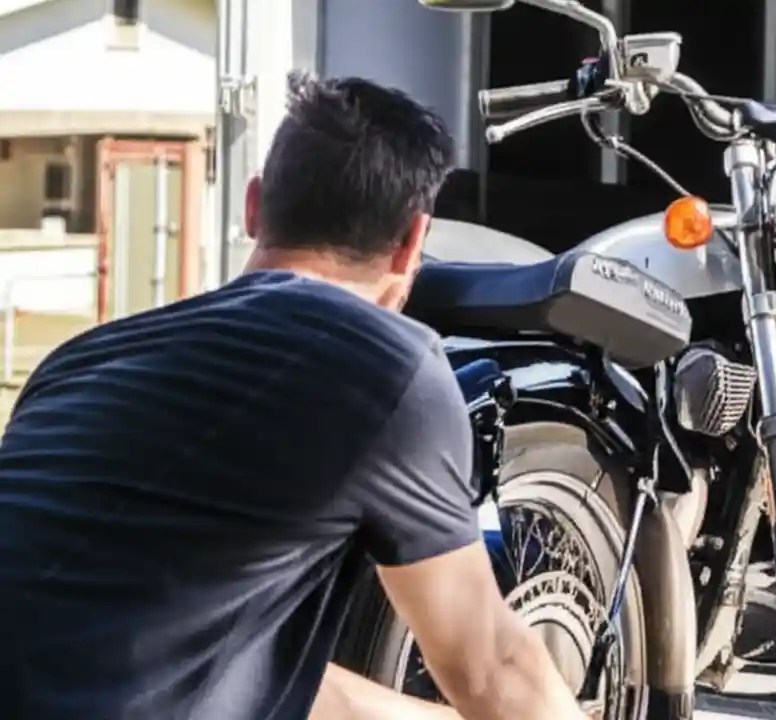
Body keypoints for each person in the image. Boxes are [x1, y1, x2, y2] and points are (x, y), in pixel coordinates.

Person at [0, 72, 593, 720]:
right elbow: (491, 667)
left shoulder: (78, 361)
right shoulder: (388, 368)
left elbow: (251, 677)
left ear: (253, 206)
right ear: (412, 242)